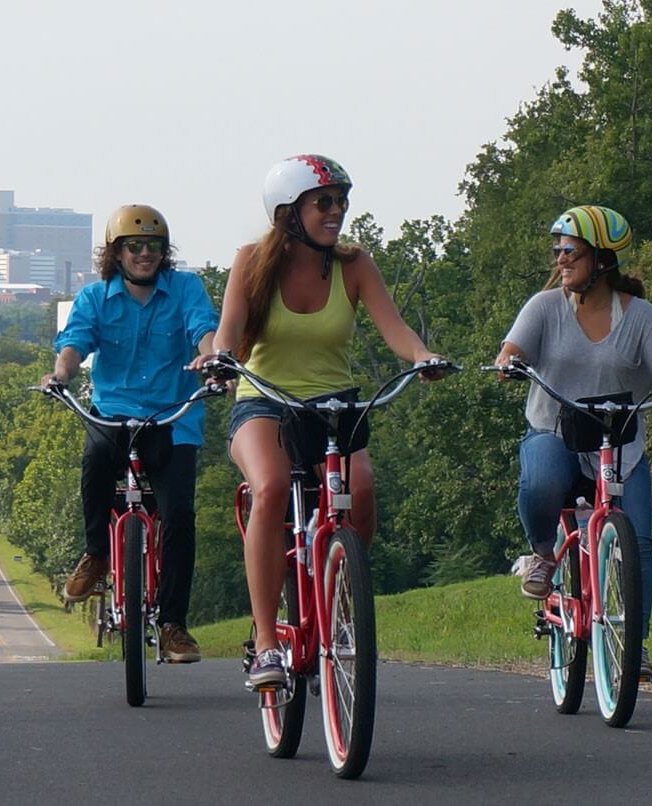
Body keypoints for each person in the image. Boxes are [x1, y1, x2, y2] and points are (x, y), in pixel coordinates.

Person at [214, 154, 443, 688]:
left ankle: (339, 586)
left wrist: (422, 357)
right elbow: (229, 333)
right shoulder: (251, 262)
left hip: (334, 404)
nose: (336, 211)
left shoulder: (354, 265)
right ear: (288, 212)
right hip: (264, 402)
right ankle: (268, 643)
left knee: (361, 489)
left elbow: (396, 328)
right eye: (324, 202)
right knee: (270, 488)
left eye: (341, 201)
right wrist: (219, 358)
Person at [493, 204, 652, 683]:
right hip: (555, 432)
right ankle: (543, 555)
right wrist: (508, 361)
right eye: (558, 250)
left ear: (602, 261)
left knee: (641, 543)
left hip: (620, 444)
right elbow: (512, 349)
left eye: (571, 251)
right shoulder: (545, 307)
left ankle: (636, 646)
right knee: (541, 481)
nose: (560, 260)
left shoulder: (639, 316)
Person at [45, 204, 219, 663]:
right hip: (115, 411)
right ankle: (97, 554)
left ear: (165, 253)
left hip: (171, 415)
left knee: (179, 515)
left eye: (154, 247)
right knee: (95, 462)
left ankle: (173, 625)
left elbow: (204, 329)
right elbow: (73, 344)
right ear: (115, 253)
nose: (145, 254)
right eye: (134, 246)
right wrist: (60, 375)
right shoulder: (95, 297)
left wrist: (211, 358)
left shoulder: (186, 289)